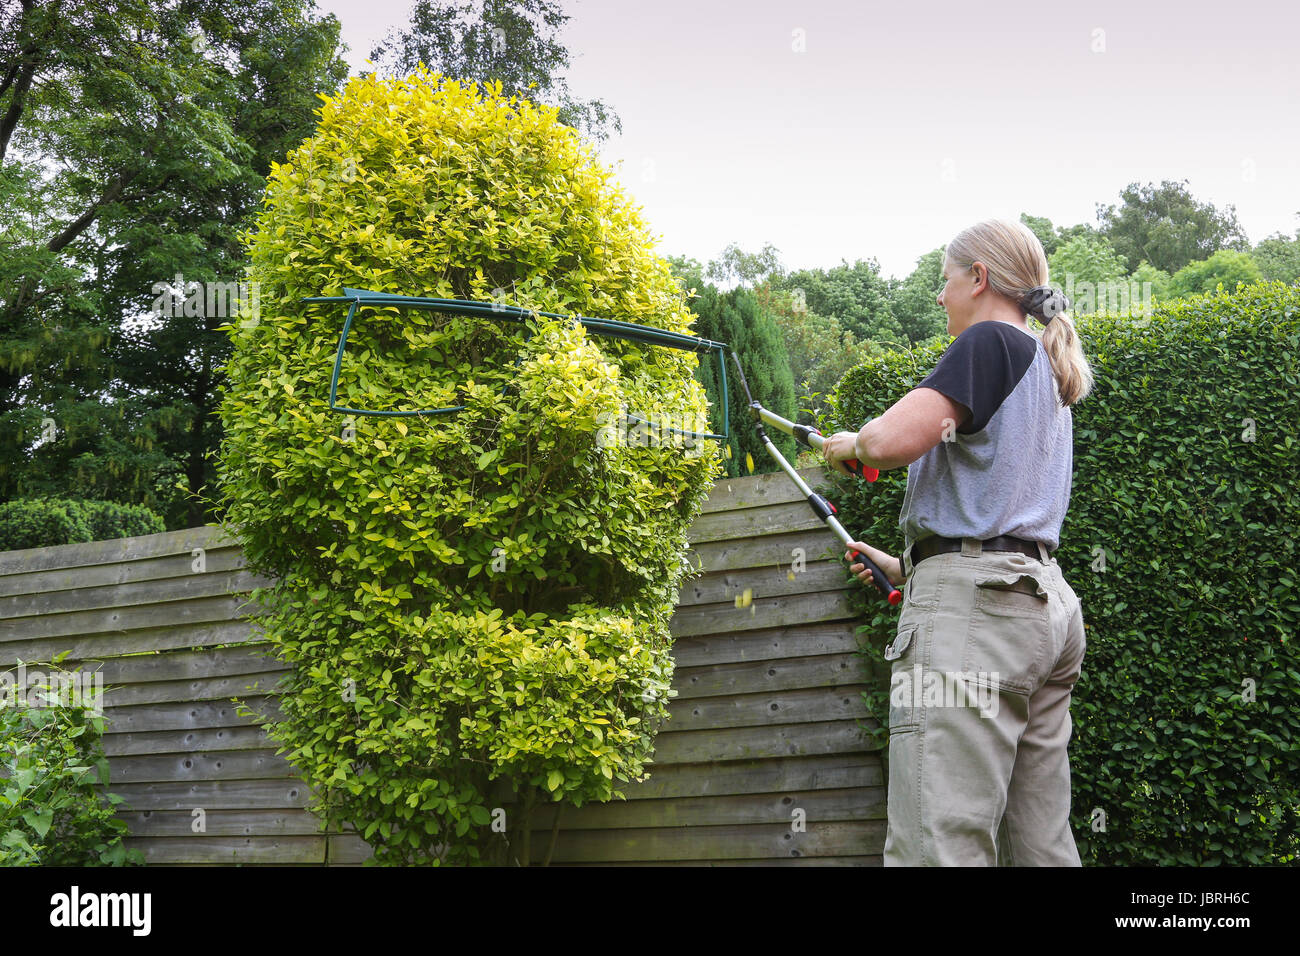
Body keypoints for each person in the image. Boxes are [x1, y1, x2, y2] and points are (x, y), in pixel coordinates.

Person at [820, 218, 1094, 866]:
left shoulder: (991, 341)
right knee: (1040, 844)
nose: (940, 298)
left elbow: (886, 445)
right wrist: (907, 566)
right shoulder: (1046, 366)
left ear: (980, 278)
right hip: (1042, 610)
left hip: (982, 617)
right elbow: (1002, 514)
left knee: (937, 841)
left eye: (945, 283)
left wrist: (851, 446)